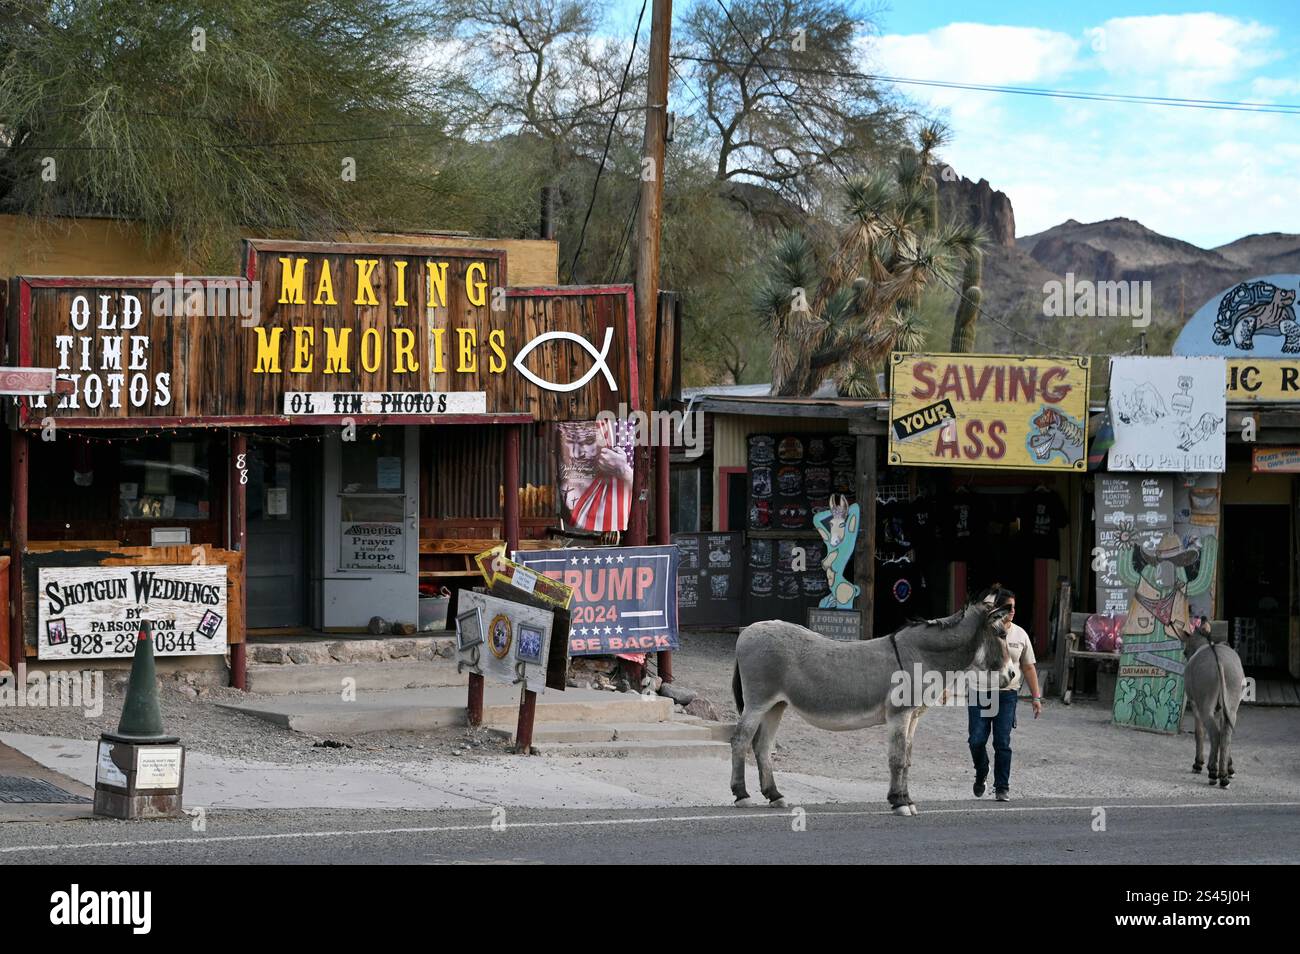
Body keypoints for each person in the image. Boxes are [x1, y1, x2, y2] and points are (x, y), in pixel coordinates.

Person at [969, 586, 1042, 801]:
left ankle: (1002, 787)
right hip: (980, 692)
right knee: (976, 740)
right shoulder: (980, 633)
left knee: (1002, 742)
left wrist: (1036, 697)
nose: (1012, 611)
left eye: (1014, 607)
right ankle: (982, 771)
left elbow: (1028, 667)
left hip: (1007, 695)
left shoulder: (1021, 635)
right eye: (1007, 607)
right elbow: (963, 660)